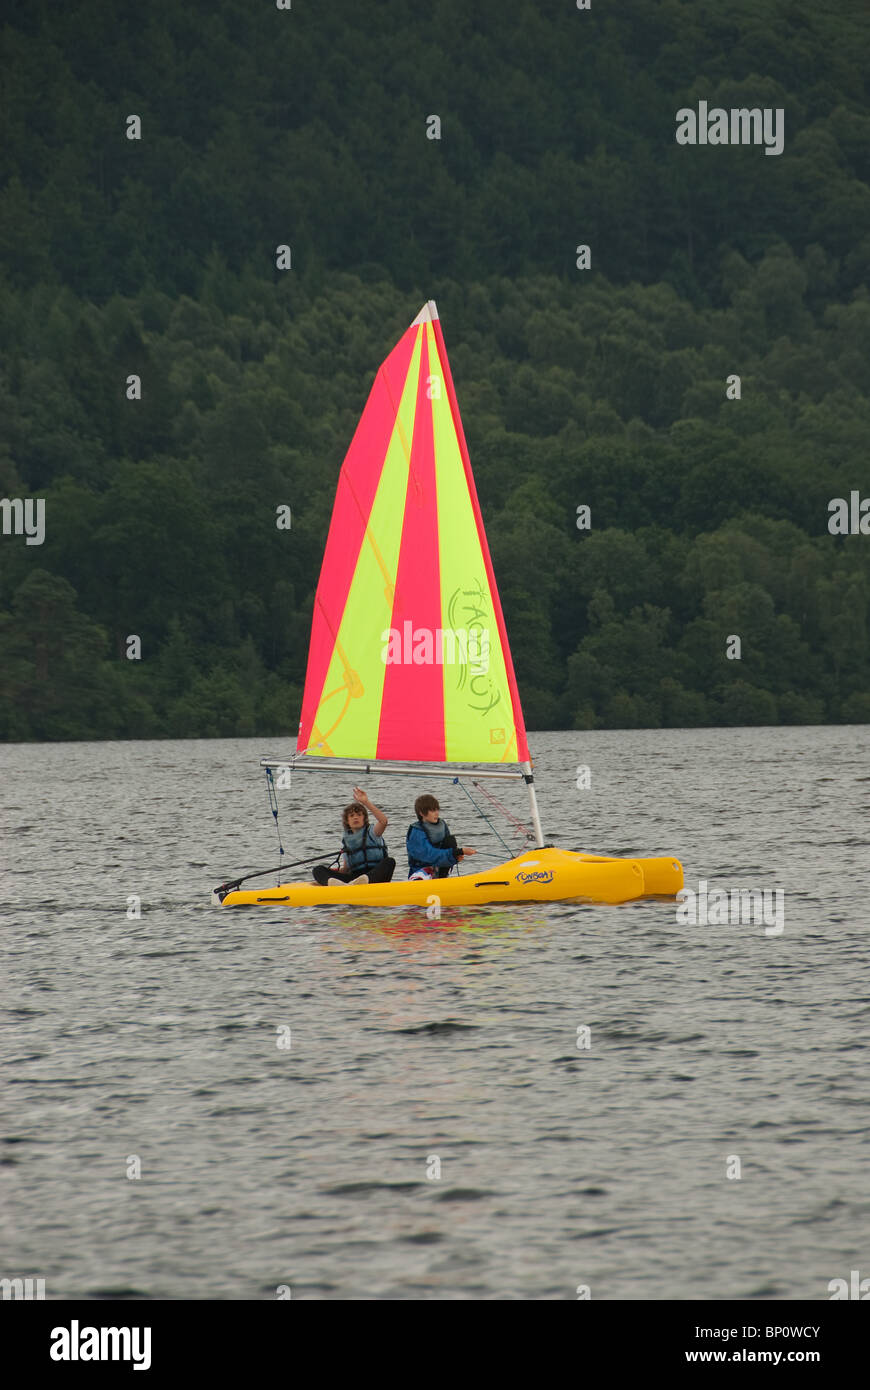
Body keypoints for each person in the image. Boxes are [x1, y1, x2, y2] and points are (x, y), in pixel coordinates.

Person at [313, 788, 395, 886]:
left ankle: (364, 881)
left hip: (375, 877)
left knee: (390, 861)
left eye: (359, 815)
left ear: (364, 819)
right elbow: (346, 869)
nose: (355, 817)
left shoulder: (372, 832)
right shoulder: (347, 840)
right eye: (352, 815)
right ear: (347, 821)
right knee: (318, 870)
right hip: (354, 879)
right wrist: (332, 872)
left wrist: (366, 802)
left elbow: (383, 821)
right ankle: (334, 883)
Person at [406, 794, 477, 880]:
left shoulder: (442, 825)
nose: (436, 813)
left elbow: (449, 849)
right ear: (421, 813)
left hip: (439, 870)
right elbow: (429, 855)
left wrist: (457, 855)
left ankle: (442, 877)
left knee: (450, 841)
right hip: (420, 872)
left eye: (437, 809)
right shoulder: (416, 831)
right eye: (432, 810)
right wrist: (457, 852)